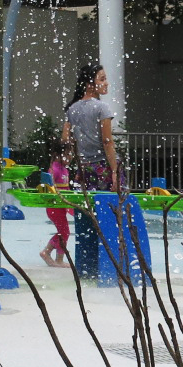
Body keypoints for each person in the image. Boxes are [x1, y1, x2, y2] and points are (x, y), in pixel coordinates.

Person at [62, 63, 123, 193]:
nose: (106, 83)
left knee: (87, 209)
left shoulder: (71, 109)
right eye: (102, 79)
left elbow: (66, 140)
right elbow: (107, 141)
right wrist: (114, 171)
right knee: (113, 209)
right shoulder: (102, 108)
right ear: (89, 84)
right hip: (104, 166)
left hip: (84, 169)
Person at [40, 145, 73, 268]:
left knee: (63, 232)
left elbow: (66, 189)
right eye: (68, 154)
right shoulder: (54, 169)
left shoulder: (64, 169)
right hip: (54, 206)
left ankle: (47, 252)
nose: (70, 158)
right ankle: (56, 258)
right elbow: (50, 188)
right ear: (59, 155)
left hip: (60, 206)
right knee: (65, 232)